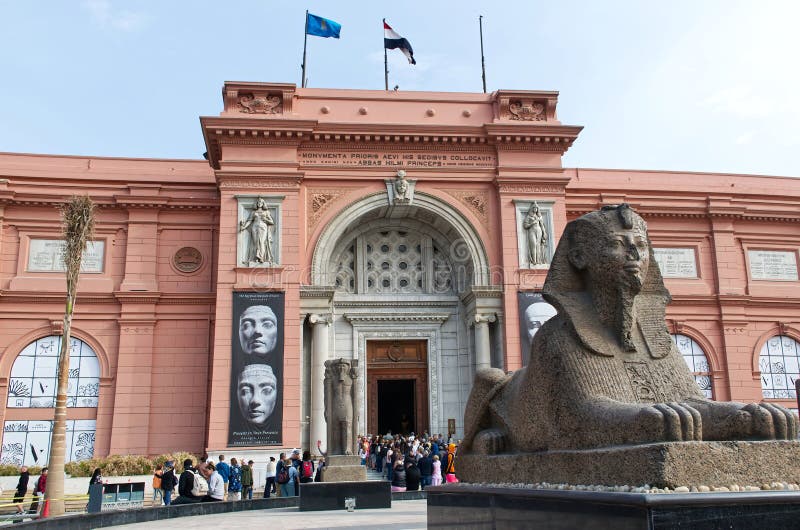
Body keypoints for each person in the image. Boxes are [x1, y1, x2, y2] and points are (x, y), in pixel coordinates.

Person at [239, 196, 275, 264]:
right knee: (255, 242)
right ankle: (255, 258)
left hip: (263, 227)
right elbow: (249, 221)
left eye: (261, 202)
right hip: (254, 227)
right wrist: (243, 227)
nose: (259, 203)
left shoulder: (266, 212)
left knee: (261, 242)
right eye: (258, 202)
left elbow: (271, 222)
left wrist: (266, 219)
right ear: (257, 203)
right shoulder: (253, 212)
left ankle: (261, 257)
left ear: (263, 203)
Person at [523, 202, 548, 266]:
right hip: (532, 230)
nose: (535, 209)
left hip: (539, 231)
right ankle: (534, 260)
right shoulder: (529, 216)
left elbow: (542, 225)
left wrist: (544, 233)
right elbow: (525, 225)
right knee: (533, 245)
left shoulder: (539, 217)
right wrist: (532, 223)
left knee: (538, 245)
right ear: (532, 208)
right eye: (534, 208)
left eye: (536, 208)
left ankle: (538, 260)